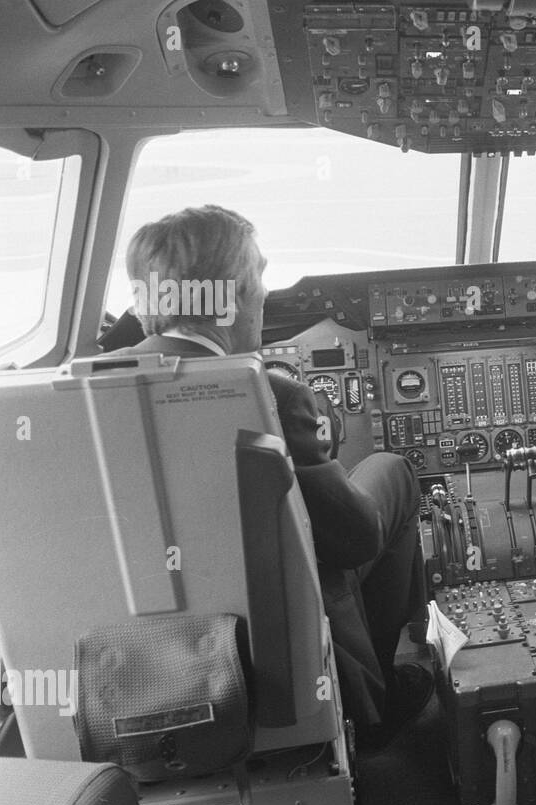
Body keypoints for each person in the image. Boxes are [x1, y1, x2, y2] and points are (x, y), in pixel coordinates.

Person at [112, 205, 429, 746]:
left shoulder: (82, 396)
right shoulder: (267, 394)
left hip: (127, 655)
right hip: (272, 626)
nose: (265, 295)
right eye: (258, 279)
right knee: (389, 474)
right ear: (232, 298)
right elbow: (354, 541)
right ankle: (378, 696)